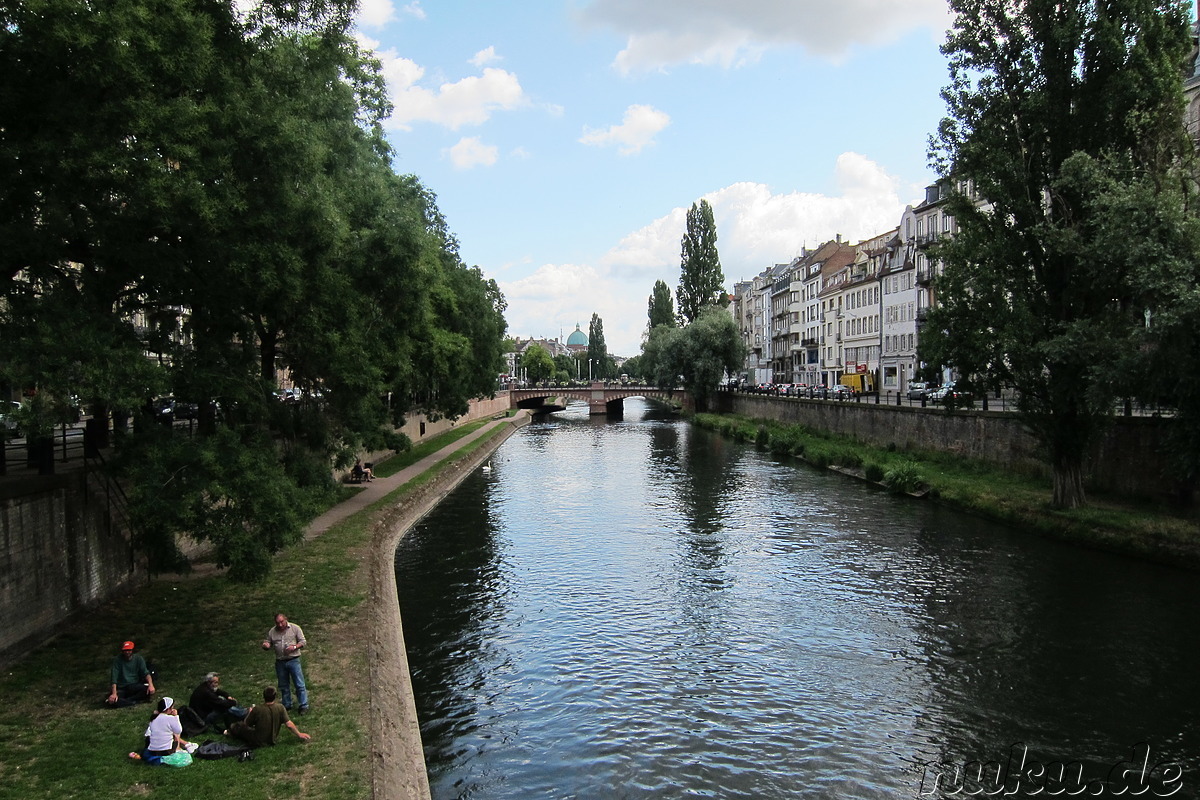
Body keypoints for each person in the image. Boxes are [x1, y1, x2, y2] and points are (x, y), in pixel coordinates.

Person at [225, 686, 311, 747]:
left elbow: (246, 723)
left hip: (258, 740)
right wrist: (299, 734)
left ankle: (228, 732)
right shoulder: (280, 707)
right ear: (275, 697)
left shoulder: (258, 709)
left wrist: (250, 713)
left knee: (239, 726)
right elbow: (289, 724)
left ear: (264, 696)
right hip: (272, 739)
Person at [262, 613, 309, 713]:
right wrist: (266, 645)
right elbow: (268, 642)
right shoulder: (272, 631)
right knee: (283, 685)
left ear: (286, 619)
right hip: (280, 662)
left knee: (299, 684)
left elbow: (303, 642)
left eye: (281, 622)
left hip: (293, 659)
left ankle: (303, 705)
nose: (280, 625)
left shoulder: (295, 628)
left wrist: (295, 647)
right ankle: (287, 704)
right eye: (277, 623)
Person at [129, 696, 188, 762]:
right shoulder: (170, 719)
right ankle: (177, 749)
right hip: (166, 751)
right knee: (175, 734)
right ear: (169, 709)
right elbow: (179, 730)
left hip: (153, 751)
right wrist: (176, 717)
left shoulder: (153, 718)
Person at [106, 640, 155, 707]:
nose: (127, 652)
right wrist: (114, 693)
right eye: (125, 650)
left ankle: (128, 701)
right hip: (121, 687)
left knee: (146, 690)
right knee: (112, 701)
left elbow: (146, 673)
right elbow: (114, 679)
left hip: (134, 685)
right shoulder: (117, 660)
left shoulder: (138, 659)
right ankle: (132, 701)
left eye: (129, 650)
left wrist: (151, 685)